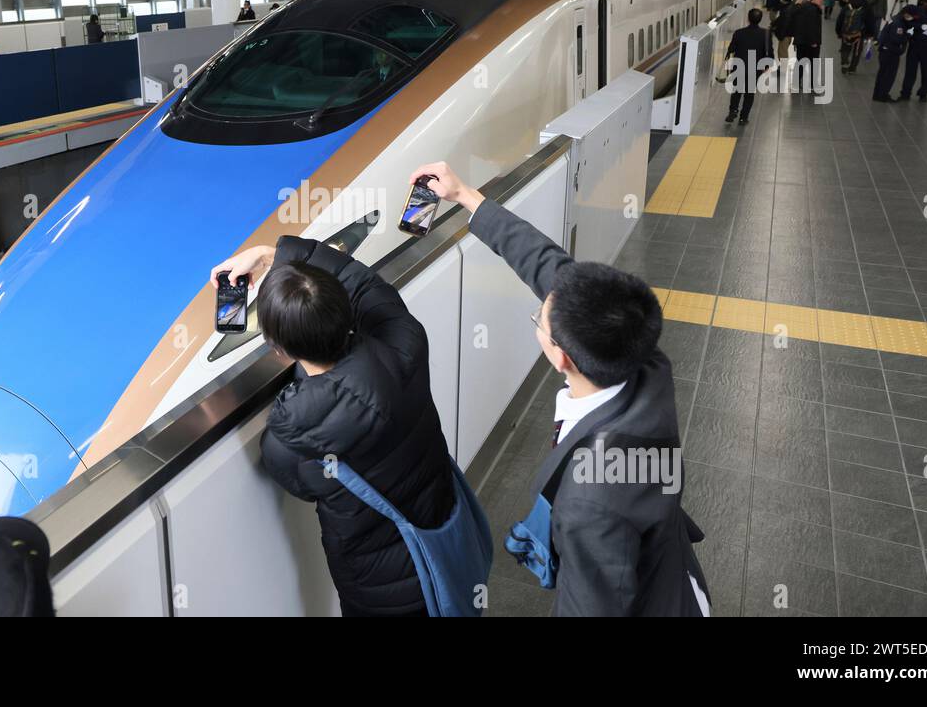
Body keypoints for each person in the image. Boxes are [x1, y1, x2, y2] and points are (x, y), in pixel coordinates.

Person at [407, 162, 710, 617]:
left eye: (540, 322)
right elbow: (547, 264)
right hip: (673, 571)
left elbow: (592, 606)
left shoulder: (593, 502)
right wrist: (467, 196)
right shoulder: (642, 357)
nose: (545, 304)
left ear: (561, 356)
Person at [210, 235, 456, 617]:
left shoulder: (291, 436)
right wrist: (273, 256)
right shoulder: (404, 338)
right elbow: (365, 283)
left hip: (375, 585)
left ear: (280, 350)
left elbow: (300, 484)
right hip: (441, 529)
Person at [723, 7, 773, 125]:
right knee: (749, 93)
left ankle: (733, 111)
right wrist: (767, 65)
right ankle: (743, 118)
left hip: (739, 66)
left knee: (737, 91)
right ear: (760, 19)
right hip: (755, 68)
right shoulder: (765, 34)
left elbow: (731, 49)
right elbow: (769, 51)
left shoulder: (739, 32)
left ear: (748, 19)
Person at [873, 5, 919, 102]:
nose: (912, 19)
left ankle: (877, 95)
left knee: (882, 74)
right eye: (912, 16)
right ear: (906, 14)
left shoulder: (895, 19)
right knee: (889, 75)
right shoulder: (899, 23)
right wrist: (908, 35)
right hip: (891, 52)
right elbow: (896, 39)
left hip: (885, 50)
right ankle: (883, 95)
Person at [790, 0, 825, 92]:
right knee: (814, 63)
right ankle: (814, 85)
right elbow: (811, 27)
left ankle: (795, 84)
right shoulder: (813, 10)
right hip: (810, 42)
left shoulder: (802, 7)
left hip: (800, 41)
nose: (822, 3)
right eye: (821, 1)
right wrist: (813, 41)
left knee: (800, 62)